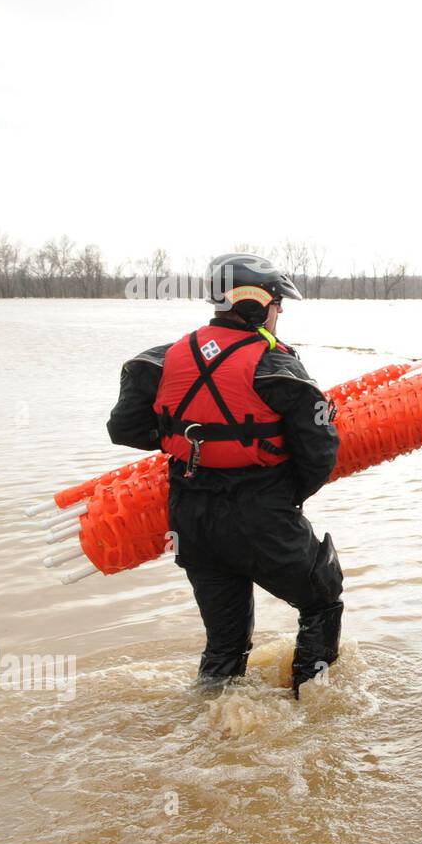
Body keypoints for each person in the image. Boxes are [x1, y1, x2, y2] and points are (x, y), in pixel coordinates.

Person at [106, 253, 343, 698]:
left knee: (224, 642)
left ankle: (209, 712)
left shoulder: (157, 361)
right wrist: (282, 497)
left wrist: (191, 439)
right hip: (263, 516)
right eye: (278, 302)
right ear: (257, 303)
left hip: (192, 520)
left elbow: (123, 429)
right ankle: (313, 705)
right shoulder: (280, 368)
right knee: (322, 598)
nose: (280, 312)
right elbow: (319, 456)